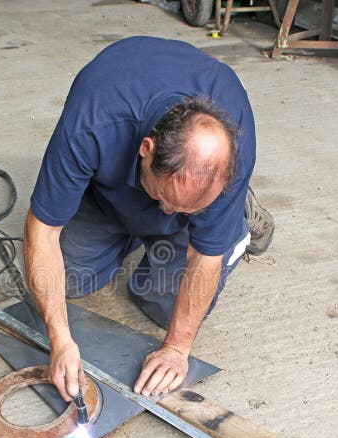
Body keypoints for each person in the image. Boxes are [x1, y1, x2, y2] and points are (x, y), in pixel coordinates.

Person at [23, 36, 273, 403]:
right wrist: (59, 338)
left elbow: (205, 259)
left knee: (166, 307)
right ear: (146, 149)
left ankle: (233, 216)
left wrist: (177, 348)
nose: (170, 213)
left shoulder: (235, 145)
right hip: (109, 191)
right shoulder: (93, 121)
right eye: (167, 199)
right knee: (67, 282)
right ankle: (138, 219)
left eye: (186, 207)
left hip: (182, 194)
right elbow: (42, 231)